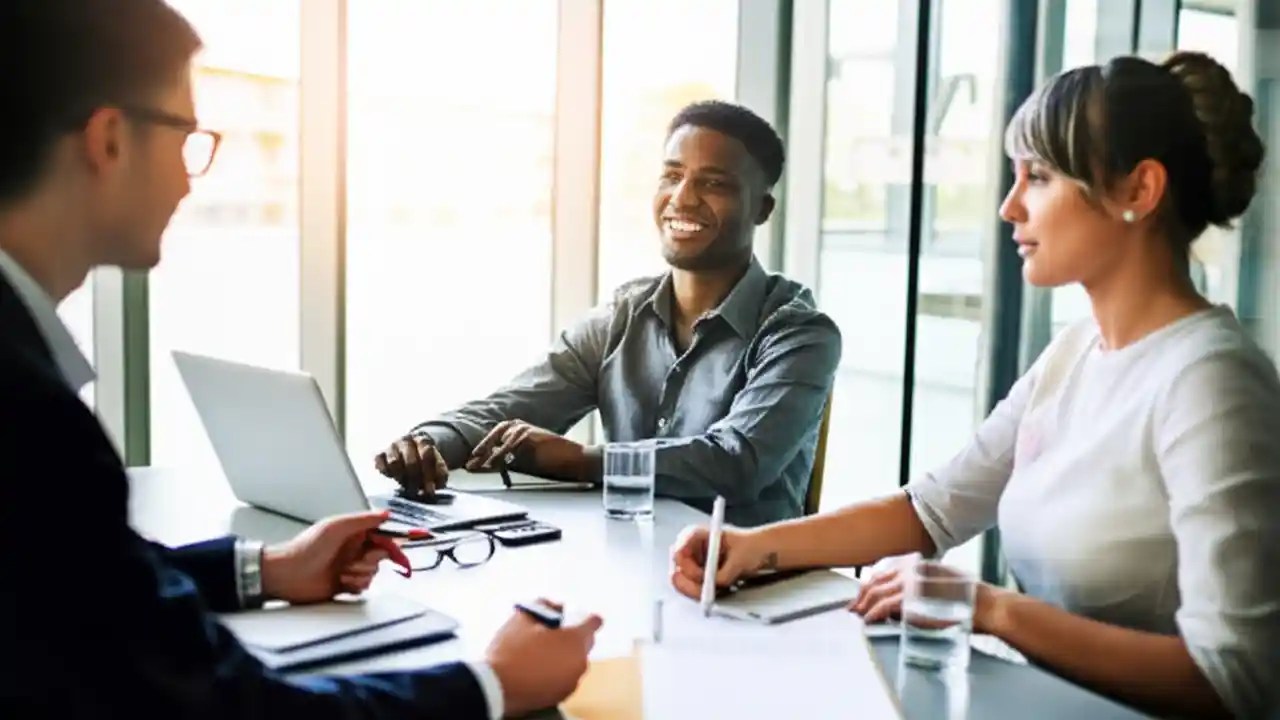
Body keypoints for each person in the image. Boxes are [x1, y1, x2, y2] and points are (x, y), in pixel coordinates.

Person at [0, 1, 600, 717]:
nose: (192, 181)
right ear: (108, 140)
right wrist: (492, 684)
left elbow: (79, 580)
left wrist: (268, 568)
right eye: (188, 138)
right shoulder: (30, 416)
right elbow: (225, 708)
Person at [670, 52, 1280, 719]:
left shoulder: (1213, 384)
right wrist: (755, 548)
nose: (1009, 205)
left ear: (1139, 191)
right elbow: (930, 512)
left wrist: (988, 607)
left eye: (1039, 177)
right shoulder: (1075, 352)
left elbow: (1235, 680)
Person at [376, 101, 842, 527]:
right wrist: (431, 442)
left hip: (747, 586)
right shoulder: (622, 316)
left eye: (713, 183)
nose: (682, 197)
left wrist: (584, 460)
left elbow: (738, 461)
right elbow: (512, 406)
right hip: (627, 562)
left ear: (762, 208)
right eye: (672, 175)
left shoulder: (799, 333)